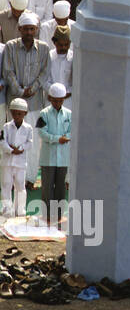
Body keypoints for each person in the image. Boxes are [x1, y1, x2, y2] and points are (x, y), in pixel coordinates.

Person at [35, 82, 71, 224]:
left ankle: (59, 215)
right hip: (48, 157)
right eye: (55, 100)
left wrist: (65, 138)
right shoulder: (43, 114)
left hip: (63, 158)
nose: (57, 103)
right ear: (49, 98)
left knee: (61, 187)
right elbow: (41, 133)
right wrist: (58, 139)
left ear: (64, 99)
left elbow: (72, 131)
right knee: (47, 187)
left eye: (60, 100)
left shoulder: (69, 114)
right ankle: (47, 216)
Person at [1, 98, 33, 218]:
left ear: (25, 113)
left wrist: (20, 148)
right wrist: (10, 150)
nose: (16, 116)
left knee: (20, 185)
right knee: (6, 184)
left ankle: (20, 209)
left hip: (20, 162)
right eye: (14, 113)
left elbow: (30, 143)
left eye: (19, 113)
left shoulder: (28, 128)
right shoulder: (6, 127)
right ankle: (7, 210)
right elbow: (2, 141)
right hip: (7, 162)